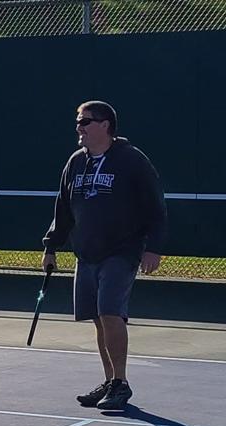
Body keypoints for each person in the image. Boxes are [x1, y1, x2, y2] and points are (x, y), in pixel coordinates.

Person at [42, 101, 167, 410]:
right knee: (98, 319)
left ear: (105, 125)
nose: (79, 128)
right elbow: (63, 209)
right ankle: (110, 381)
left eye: (86, 122)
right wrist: (51, 246)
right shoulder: (75, 162)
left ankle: (121, 383)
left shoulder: (132, 161)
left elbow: (156, 207)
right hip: (87, 254)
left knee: (111, 313)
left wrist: (153, 247)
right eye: (78, 122)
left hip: (121, 252)